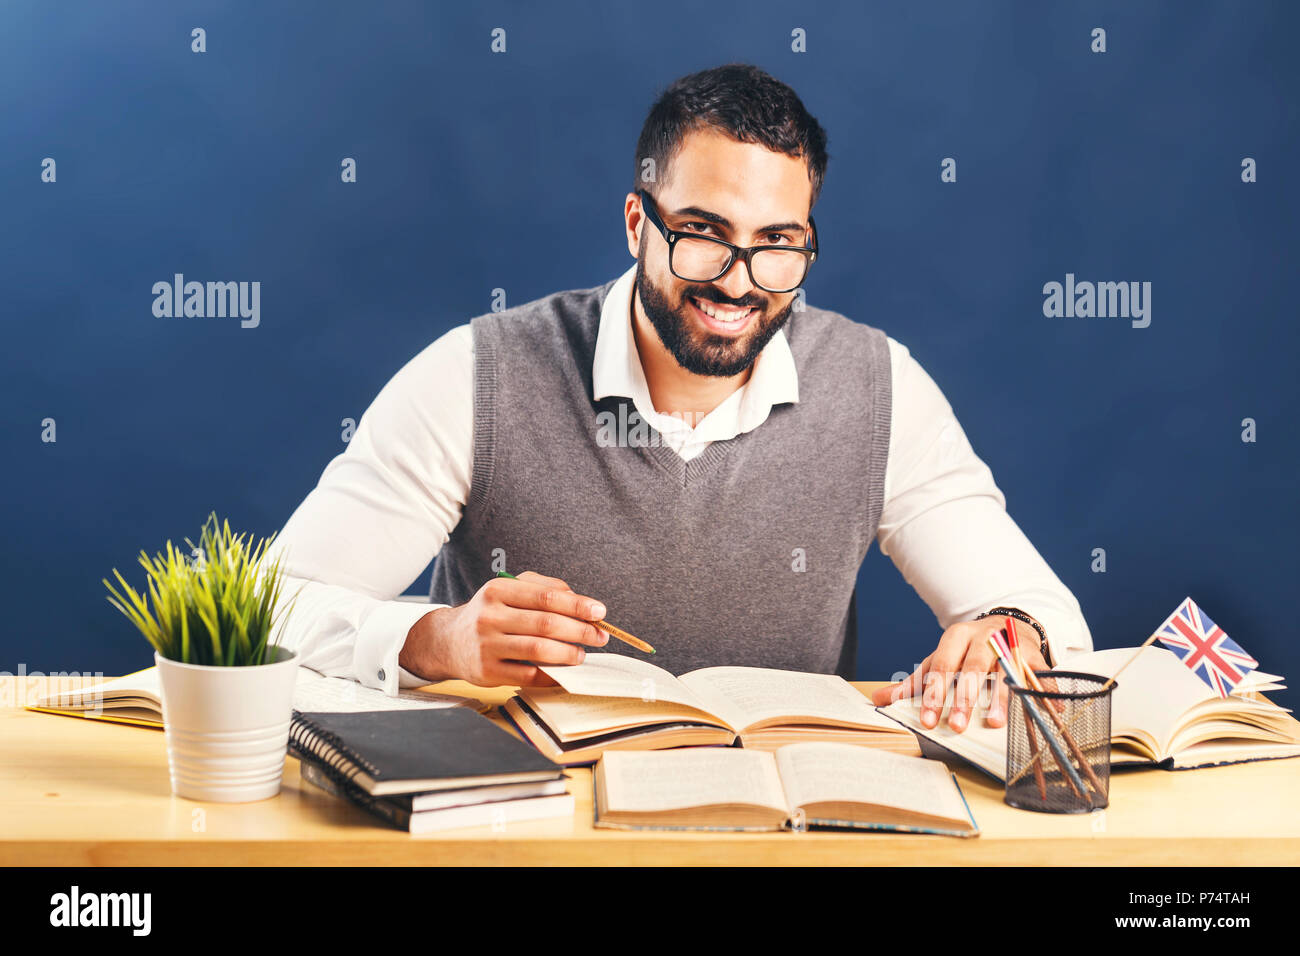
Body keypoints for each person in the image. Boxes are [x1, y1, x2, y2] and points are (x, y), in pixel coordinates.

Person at [266, 63, 1091, 735]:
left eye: (777, 245)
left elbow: (1047, 615)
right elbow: (272, 609)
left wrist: (1011, 635)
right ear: (637, 223)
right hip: (525, 831)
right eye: (703, 234)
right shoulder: (477, 375)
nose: (738, 281)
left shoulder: (879, 387)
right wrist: (434, 638)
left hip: (789, 833)